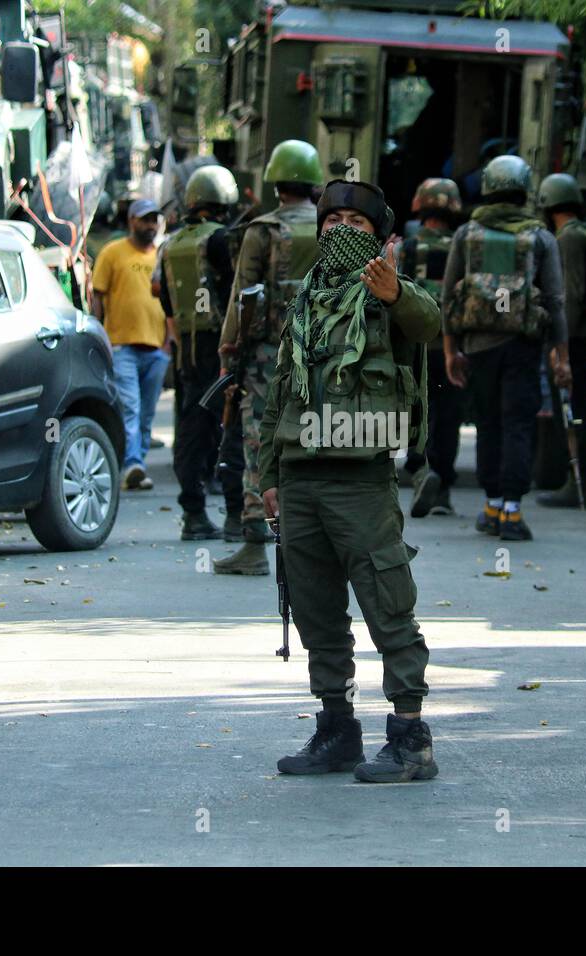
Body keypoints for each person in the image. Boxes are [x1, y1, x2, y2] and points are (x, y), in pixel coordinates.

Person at [260, 179, 440, 783]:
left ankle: (411, 737)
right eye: (331, 219)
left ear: (379, 237)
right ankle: (337, 728)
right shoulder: (305, 298)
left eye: (355, 223)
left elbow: (429, 324)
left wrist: (394, 295)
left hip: (361, 479)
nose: (340, 229)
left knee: (388, 607)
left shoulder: (389, 293)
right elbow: (280, 391)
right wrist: (267, 476)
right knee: (316, 611)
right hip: (301, 478)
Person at [440, 155, 569, 541]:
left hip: (478, 347)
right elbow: (556, 300)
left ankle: (492, 503)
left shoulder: (467, 234)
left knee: (487, 423)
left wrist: (450, 351)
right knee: (517, 423)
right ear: (525, 189)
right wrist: (561, 356)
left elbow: (448, 296)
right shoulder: (540, 237)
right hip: (522, 346)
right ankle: (512, 511)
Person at [213, 140, 323, 575]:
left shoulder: (261, 230)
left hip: (265, 357)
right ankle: (313, 538)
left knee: (259, 440)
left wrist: (228, 353)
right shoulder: (331, 229)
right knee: (314, 439)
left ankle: (256, 541)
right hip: (321, 353)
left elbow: (242, 298)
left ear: (275, 181)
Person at [157, 165, 239, 540]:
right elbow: (237, 295)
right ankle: (238, 513)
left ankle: (194, 512)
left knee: (192, 424)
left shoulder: (171, 244)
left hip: (187, 345)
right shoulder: (221, 239)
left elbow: (169, 305)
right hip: (218, 344)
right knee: (232, 423)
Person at [90, 198, 173, 490]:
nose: (150, 226)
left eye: (154, 220)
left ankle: (137, 463)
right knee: (130, 408)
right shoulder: (113, 252)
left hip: (156, 349)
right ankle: (132, 464)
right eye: (145, 220)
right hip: (122, 346)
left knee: (147, 412)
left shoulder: (163, 255)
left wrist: (167, 344)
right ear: (132, 222)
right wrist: (100, 336)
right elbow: (97, 296)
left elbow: (172, 301)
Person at [536, 173, 586, 510]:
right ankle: (579, 482)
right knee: (579, 409)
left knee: (573, 410)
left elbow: (570, 295)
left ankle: (577, 484)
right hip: (583, 335)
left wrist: (559, 347)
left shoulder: (567, 239)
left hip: (572, 337)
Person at [400, 178, 464, 518]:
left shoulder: (409, 247)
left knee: (417, 411)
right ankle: (443, 490)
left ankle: (421, 469)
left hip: (418, 346)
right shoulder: (461, 246)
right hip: (453, 347)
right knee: (449, 417)